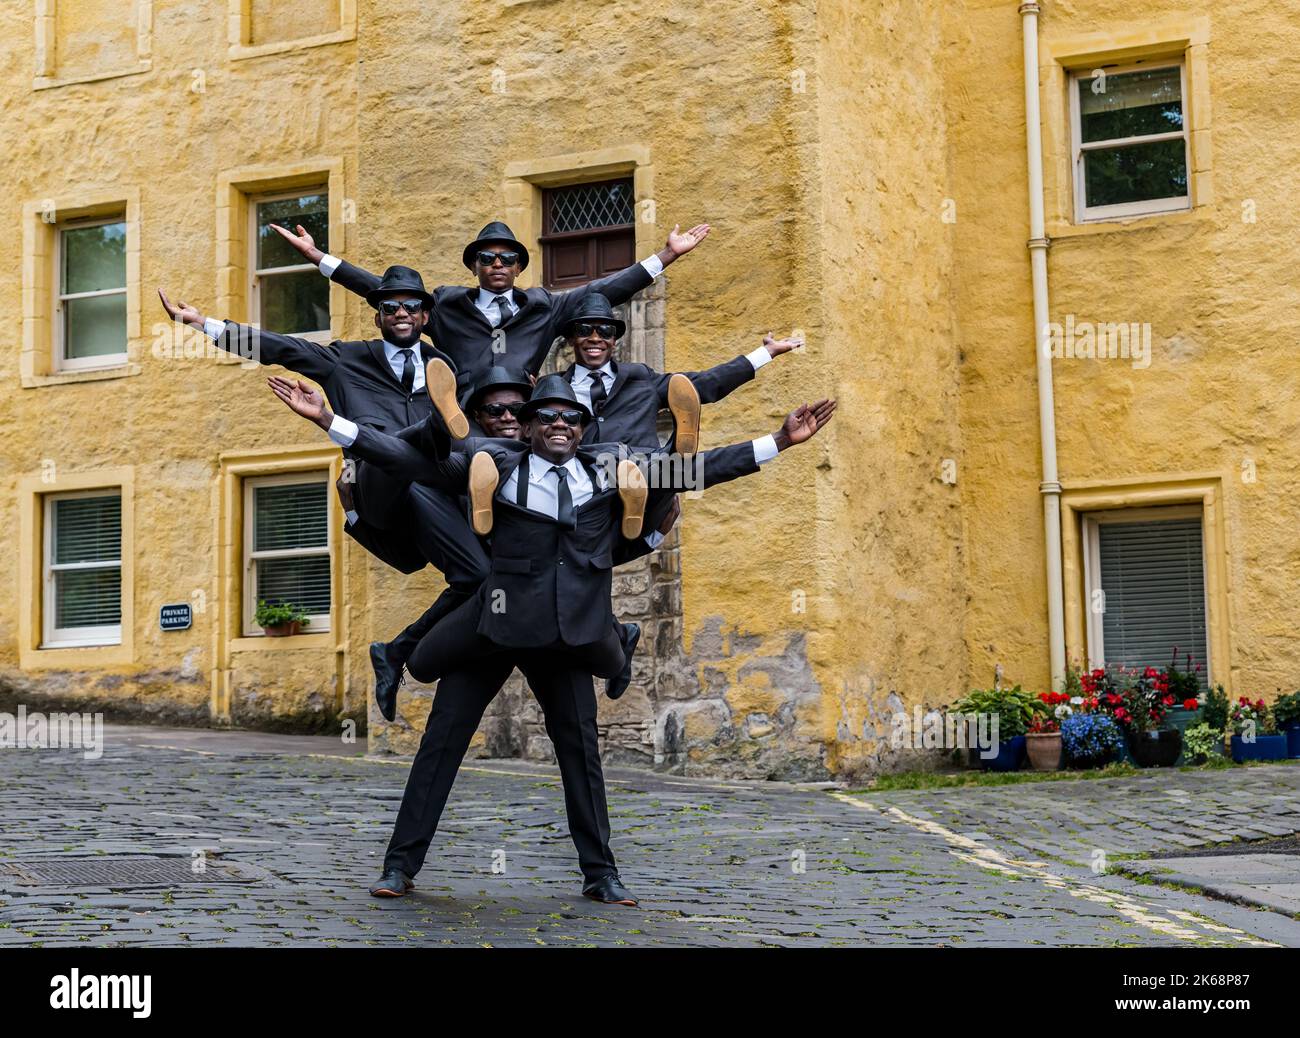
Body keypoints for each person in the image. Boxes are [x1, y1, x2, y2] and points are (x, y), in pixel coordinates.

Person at [268, 374, 835, 906]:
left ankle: (601, 875)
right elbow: (408, 458)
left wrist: (780, 440)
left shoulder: (607, 470)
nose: (559, 424)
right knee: (439, 748)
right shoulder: (494, 461)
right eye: (547, 416)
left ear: (584, 428)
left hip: (567, 637)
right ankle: (400, 866)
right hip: (493, 629)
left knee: (580, 757)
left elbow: (701, 469)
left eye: (571, 417)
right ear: (532, 425)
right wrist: (330, 422)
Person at [267, 218, 712, 391]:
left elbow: (607, 289)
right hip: (461, 405)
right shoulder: (443, 305)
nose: (497, 264)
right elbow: (380, 290)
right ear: (474, 266)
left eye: (507, 258)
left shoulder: (544, 307)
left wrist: (667, 255)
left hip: (520, 403)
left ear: (519, 266)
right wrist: (318, 258)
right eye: (487, 258)